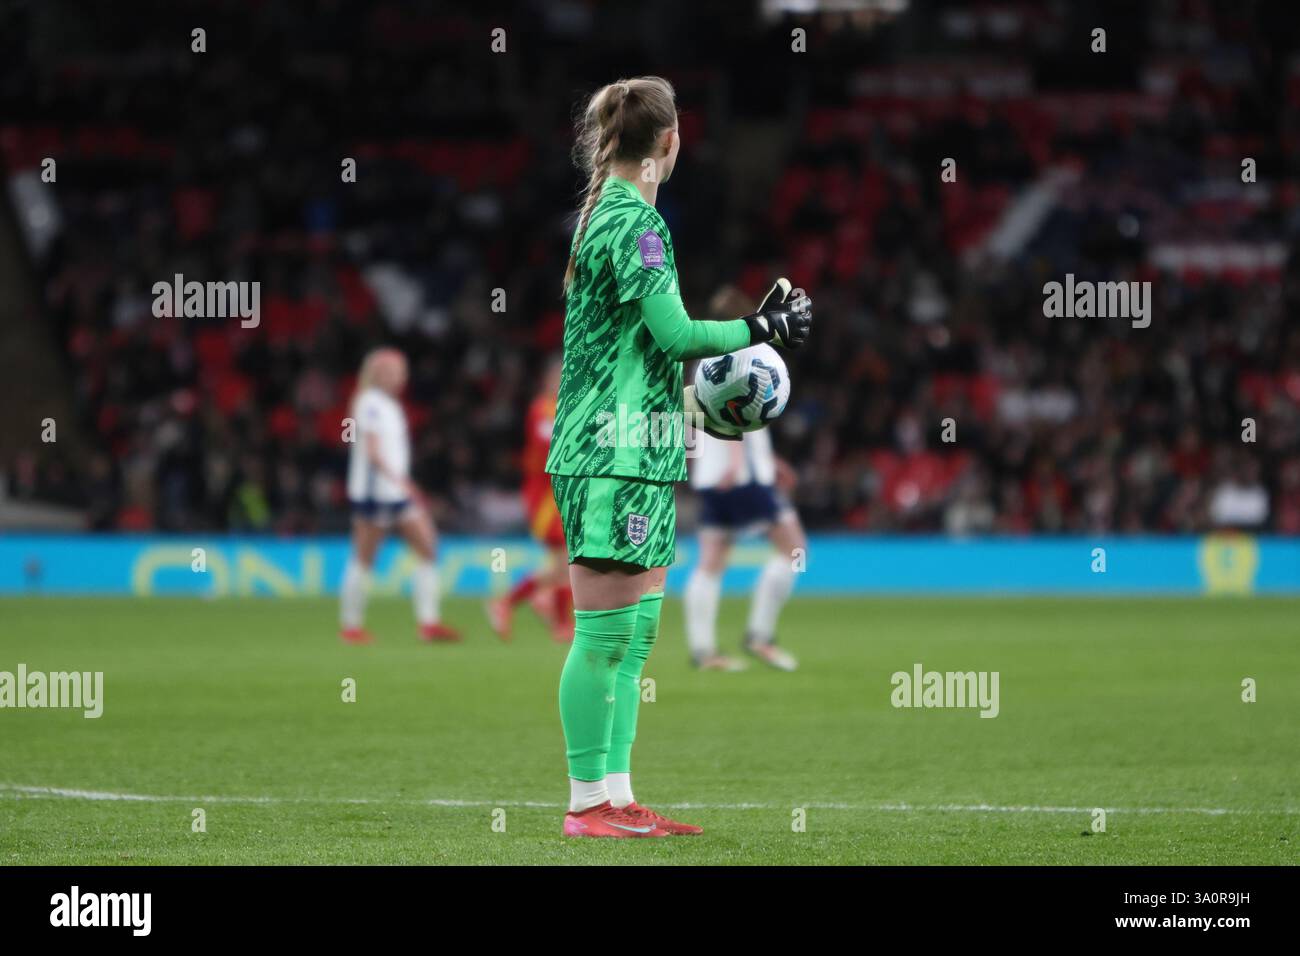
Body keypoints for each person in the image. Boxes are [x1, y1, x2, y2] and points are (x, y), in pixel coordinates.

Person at [547, 76, 812, 837]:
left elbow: (634, 360)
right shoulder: (636, 224)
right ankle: (586, 803)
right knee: (603, 637)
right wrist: (760, 329)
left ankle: (616, 795)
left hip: (642, 446)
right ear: (669, 141)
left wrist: (693, 412)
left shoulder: (617, 216)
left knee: (632, 640)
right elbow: (675, 338)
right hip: (610, 452)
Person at [684, 297, 805, 673]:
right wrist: (741, 465)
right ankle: (760, 636)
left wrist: (771, 461)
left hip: (712, 477)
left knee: (711, 561)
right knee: (794, 549)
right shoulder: (745, 351)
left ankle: (704, 651)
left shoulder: (703, 360)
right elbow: (738, 414)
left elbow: (706, 412)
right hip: (740, 478)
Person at [339, 347, 459, 645]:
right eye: (394, 371)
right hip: (375, 493)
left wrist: (402, 485)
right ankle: (351, 627)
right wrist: (404, 482)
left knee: (428, 546)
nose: (400, 377)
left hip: (395, 492)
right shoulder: (369, 403)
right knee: (365, 557)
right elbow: (373, 452)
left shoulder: (390, 405)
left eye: (401, 371)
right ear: (378, 373)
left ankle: (428, 623)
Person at [486, 357, 575, 642]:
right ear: (549, 380)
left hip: (562, 495)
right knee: (566, 562)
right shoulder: (542, 409)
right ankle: (516, 605)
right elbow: (551, 446)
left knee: (565, 563)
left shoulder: (567, 409)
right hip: (545, 498)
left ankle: (547, 609)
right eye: (560, 377)